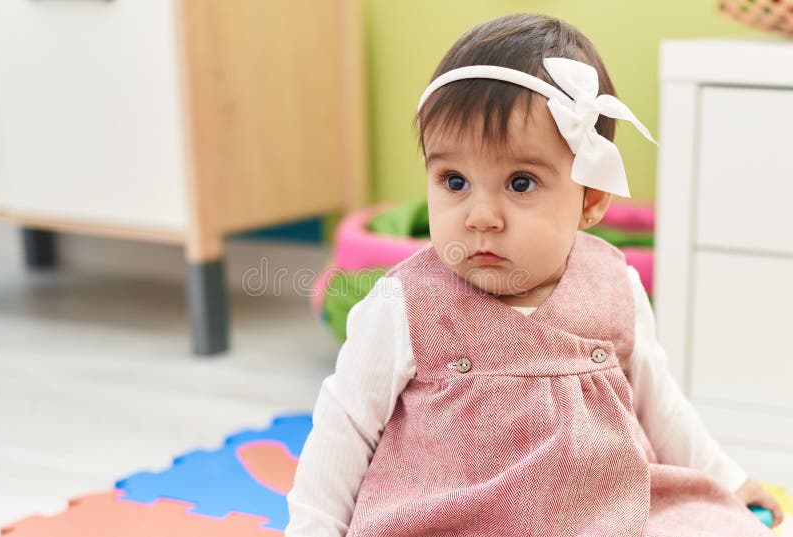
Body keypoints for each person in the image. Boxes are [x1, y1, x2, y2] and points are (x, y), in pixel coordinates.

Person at [285, 13, 784, 536]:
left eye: (520, 183)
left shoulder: (614, 287)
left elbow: (661, 406)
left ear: (591, 199)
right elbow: (345, 426)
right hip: (454, 521)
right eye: (454, 181)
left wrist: (726, 478)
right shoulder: (406, 304)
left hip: (603, 513)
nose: (481, 216)